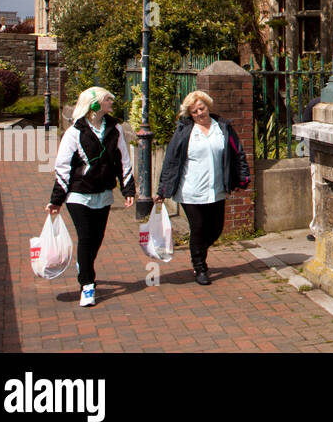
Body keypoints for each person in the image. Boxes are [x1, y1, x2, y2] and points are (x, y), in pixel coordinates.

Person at [46, 86, 135, 307]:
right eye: (107, 100)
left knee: (97, 238)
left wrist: (128, 189)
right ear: (95, 104)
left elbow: (123, 159)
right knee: (85, 237)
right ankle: (87, 284)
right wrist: (56, 200)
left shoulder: (115, 129)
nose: (112, 103)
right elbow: (63, 167)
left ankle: (84, 265)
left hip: (103, 193)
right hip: (79, 194)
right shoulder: (75, 132)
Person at [155, 90, 250, 285]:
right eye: (194, 111)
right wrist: (163, 190)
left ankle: (197, 250)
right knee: (198, 228)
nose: (199, 113)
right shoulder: (184, 132)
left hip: (216, 189)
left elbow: (237, 153)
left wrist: (242, 179)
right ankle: (200, 266)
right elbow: (171, 161)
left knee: (215, 229)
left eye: (202, 108)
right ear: (190, 114)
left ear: (208, 107)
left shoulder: (223, 127)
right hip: (191, 190)